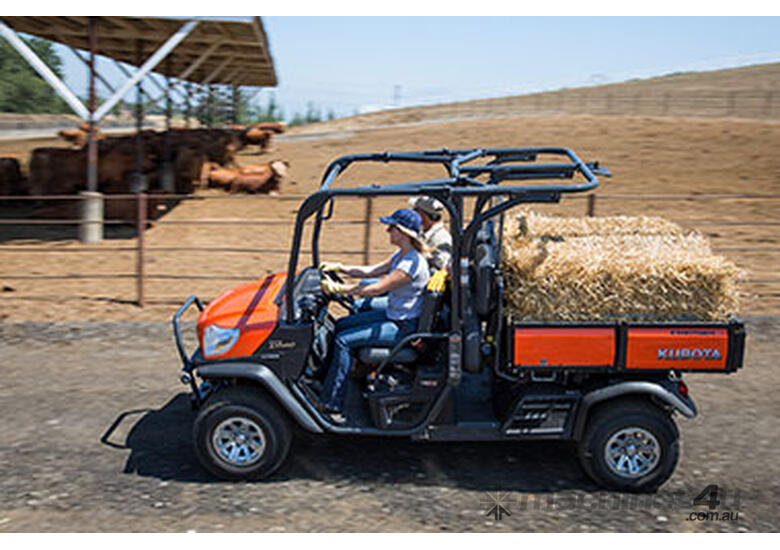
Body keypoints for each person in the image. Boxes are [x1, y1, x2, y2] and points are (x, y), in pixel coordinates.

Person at [315, 209, 430, 416]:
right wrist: (340, 268)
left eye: (392, 228)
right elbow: (370, 271)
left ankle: (332, 402)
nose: (388, 231)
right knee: (340, 325)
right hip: (393, 316)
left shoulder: (410, 264)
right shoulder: (402, 255)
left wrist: (341, 289)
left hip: (403, 327)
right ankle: (331, 377)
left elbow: (378, 288)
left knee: (343, 340)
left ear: (404, 233)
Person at [408, 196, 452, 272]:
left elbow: (442, 267)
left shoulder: (442, 238)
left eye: (415, 210)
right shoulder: (422, 233)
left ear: (422, 215)